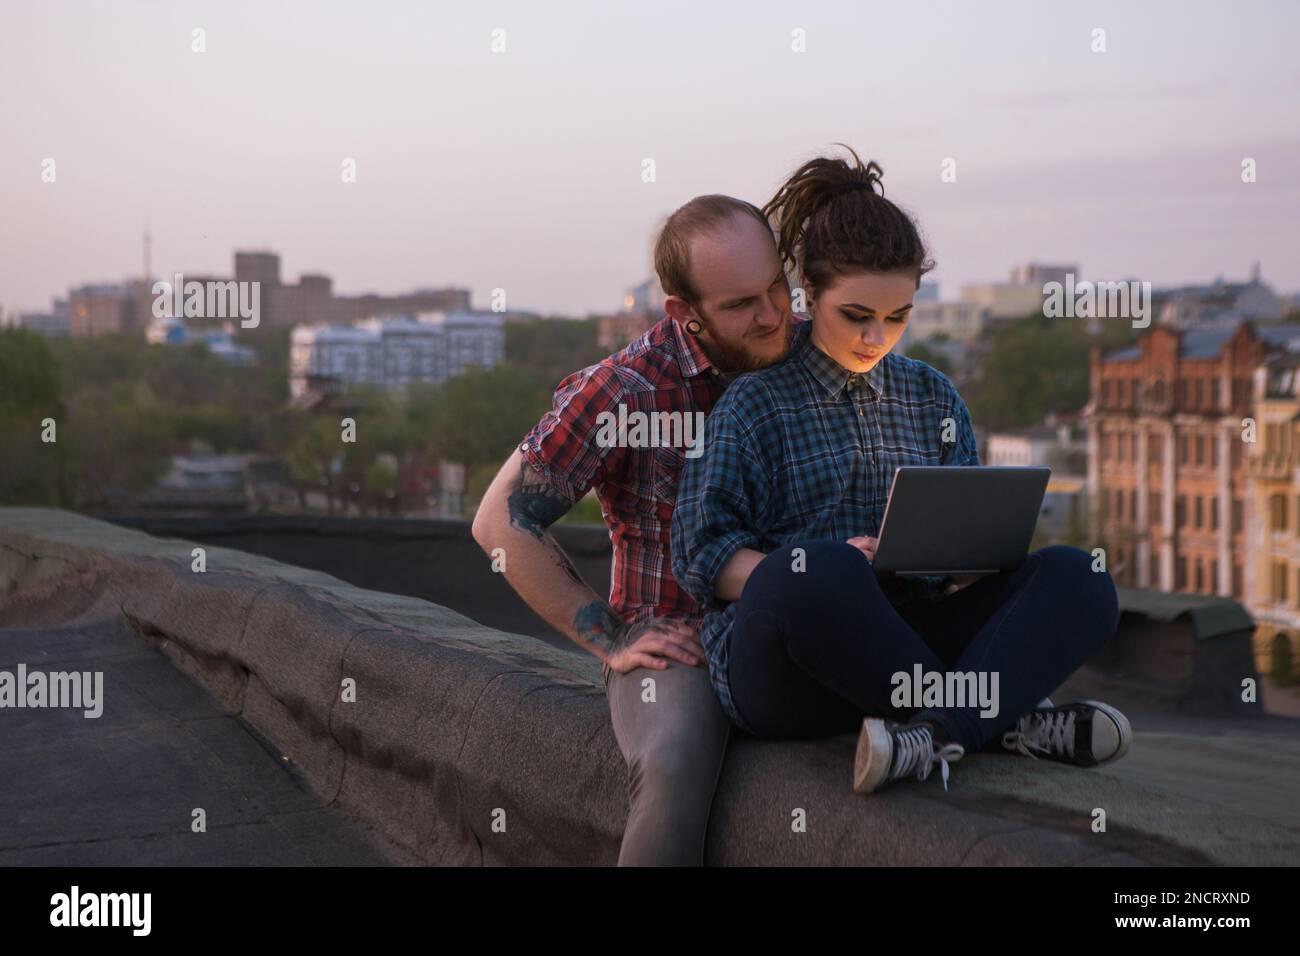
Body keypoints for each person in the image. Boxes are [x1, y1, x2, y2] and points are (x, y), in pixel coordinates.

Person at [670, 147, 1132, 796]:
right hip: (787, 672)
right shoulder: (754, 401)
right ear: (810, 291)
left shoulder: (933, 397)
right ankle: (1001, 724)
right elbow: (699, 554)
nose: (876, 337)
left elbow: (969, 568)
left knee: (1080, 577)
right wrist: (821, 564)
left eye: (897, 317)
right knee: (818, 570)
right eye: (856, 316)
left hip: (908, 637)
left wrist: (974, 560)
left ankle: (936, 733)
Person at [472, 194, 798, 864]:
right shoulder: (627, 390)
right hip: (681, 641)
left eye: (778, 287)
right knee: (674, 762)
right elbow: (500, 522)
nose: (772, 316)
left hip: (797, 624)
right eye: (741, 305)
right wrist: (613, 636)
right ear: (686, 313)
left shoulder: (805, 356)